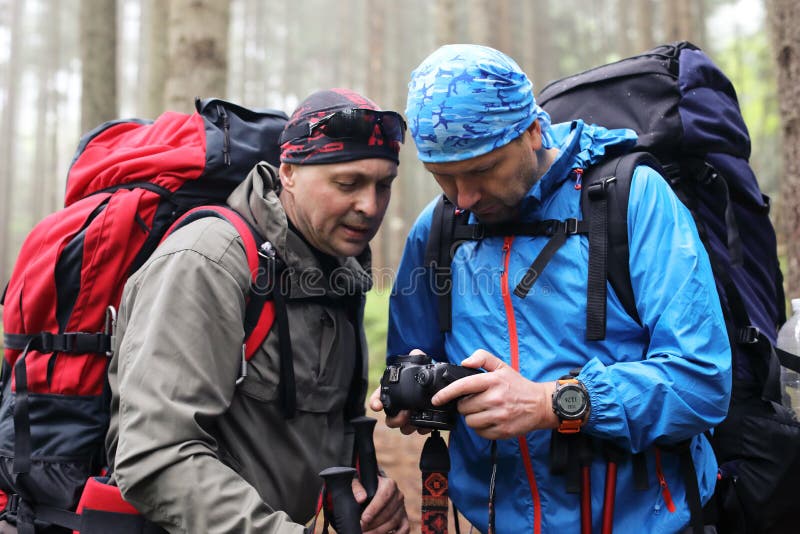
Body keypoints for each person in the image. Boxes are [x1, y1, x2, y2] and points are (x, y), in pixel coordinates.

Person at [370, 45, 732, 533]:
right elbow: (415, 361)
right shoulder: (437, 231)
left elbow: (702, 381)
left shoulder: (632, 200)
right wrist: (420, 399)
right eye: (443, 178)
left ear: (533, 130)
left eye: (481, 169)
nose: (466, 198)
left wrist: (548, 404)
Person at [105, 88, 410, 534]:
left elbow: (315, 431)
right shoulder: (207, 262)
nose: (370, 206)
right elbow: (154, 455)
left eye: (383, 184)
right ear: (288, 172)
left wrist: (368, 489)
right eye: (347, 184)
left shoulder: (336, 272)